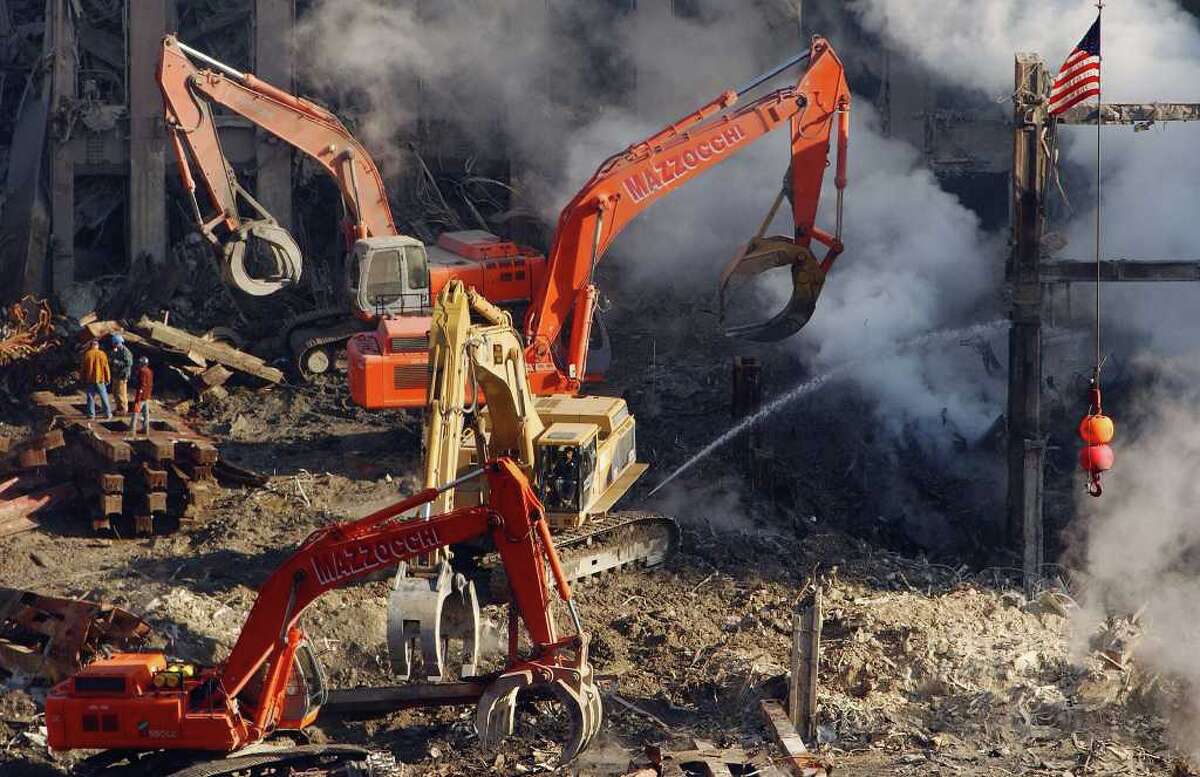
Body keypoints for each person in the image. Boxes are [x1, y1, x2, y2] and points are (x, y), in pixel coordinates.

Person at [80, 339, 112, 420]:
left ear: (91, 346)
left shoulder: (87, 354)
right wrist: (108, 378)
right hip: (100, 379)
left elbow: (83, 368)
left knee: (90, 397)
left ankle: (91, 415)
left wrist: (82, 378)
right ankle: (107, 413)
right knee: (104, 396)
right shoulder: (102, 354)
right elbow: (106, 367)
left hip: (90, 379)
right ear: (97, 346)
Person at [109, 334, 133, 414]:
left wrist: (117, 362)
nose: (114, 345)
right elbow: (112, 359)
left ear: (119, 343)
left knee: (121, 393)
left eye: (115, 343)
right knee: (115, 391)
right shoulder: (116, 351)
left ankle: (123, 409)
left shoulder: (126, 352)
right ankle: (118, 407)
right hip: (116, 374)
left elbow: (129, 363)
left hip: (122, 376)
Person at [131, 356, 154, 434]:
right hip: (147, 396)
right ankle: (145, 429)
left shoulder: (142, 371)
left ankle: (132, 429)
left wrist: (138, 397)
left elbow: (142, 385)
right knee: (146, 414)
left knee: (135, 412)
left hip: (142, 396)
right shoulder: (149, 371)